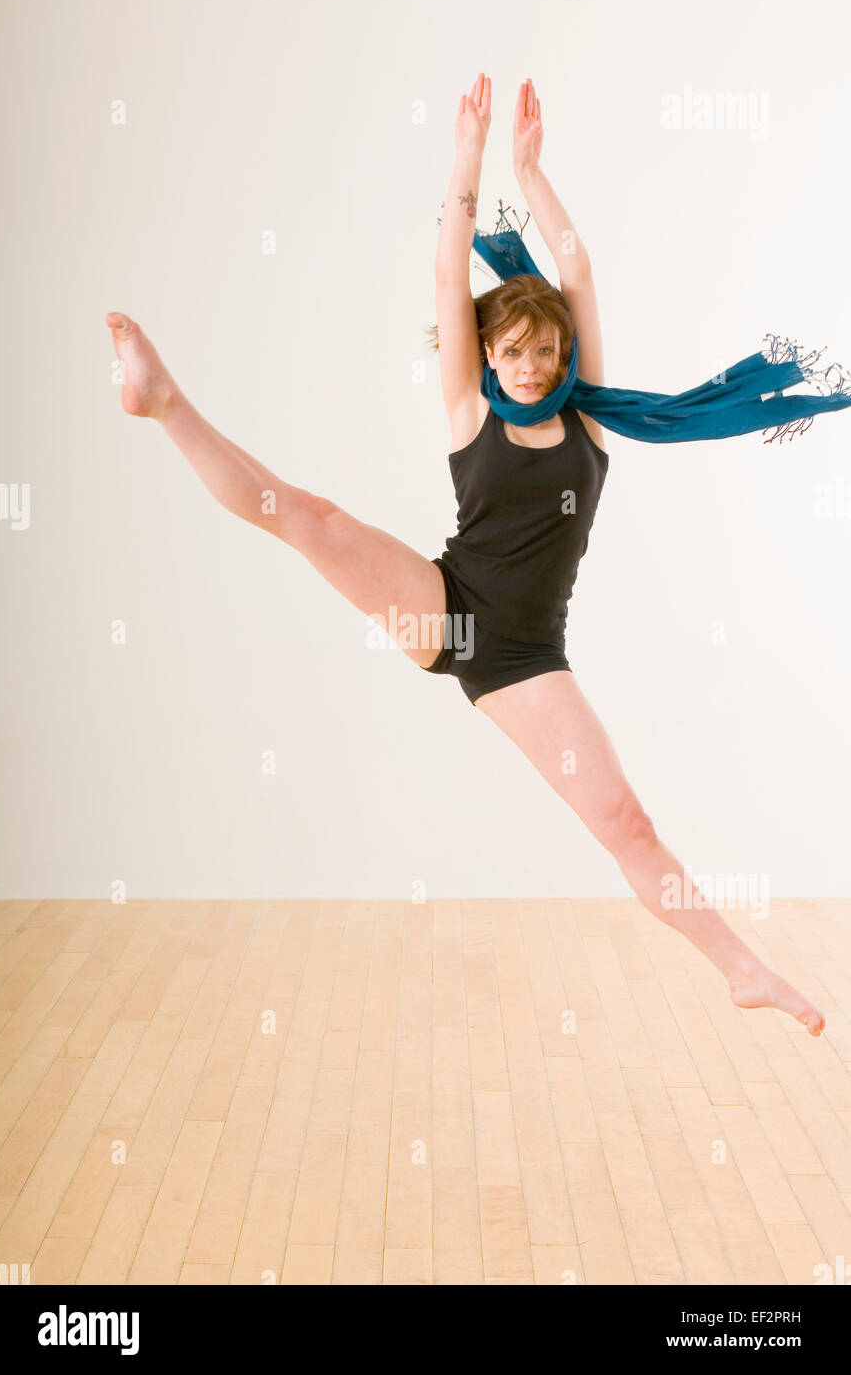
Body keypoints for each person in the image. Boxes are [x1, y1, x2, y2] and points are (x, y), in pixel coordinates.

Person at [105, 72, 824, 1037]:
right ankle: (164, 403)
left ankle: (740, 968)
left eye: (542, 352)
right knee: (308, 516)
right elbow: (448, 279)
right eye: (509, 351)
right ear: (486, 355)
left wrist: (532, 171)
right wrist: (465, 162)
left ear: (563, 356)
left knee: (625, 824)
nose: (526, 365)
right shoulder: (467, 410)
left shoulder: (589, 429)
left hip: (522, 656)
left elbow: (578, 272)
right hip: (442, 605)